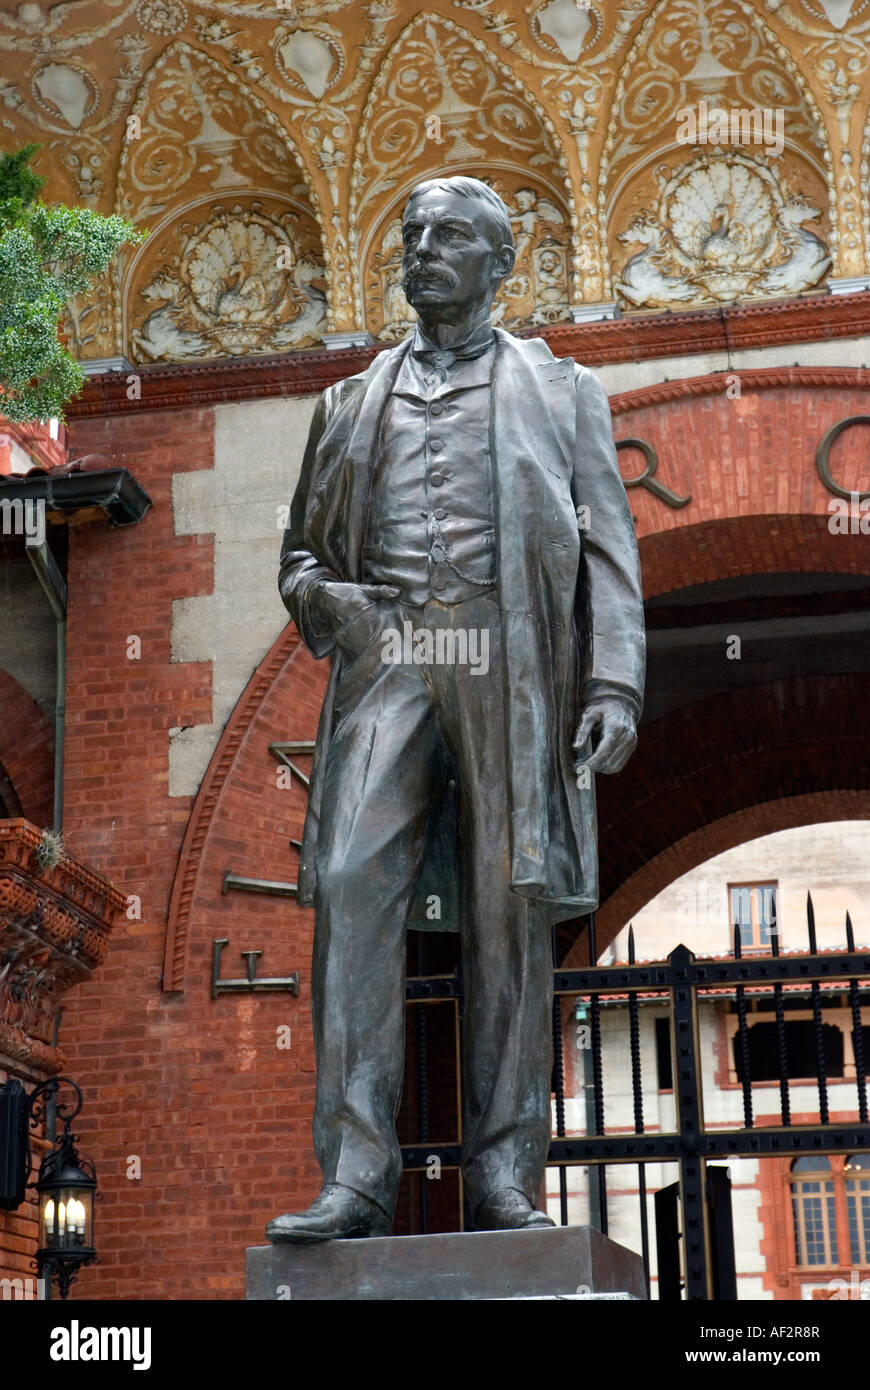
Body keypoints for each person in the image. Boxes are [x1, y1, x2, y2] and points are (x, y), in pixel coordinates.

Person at [268, 175, 645, 1242]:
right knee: (348, 882)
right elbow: (300, 553)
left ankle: (506, 1176)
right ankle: (355, 1174)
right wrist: (329, 603)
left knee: (507, 912)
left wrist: (613, 681)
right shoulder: (346, 404)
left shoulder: (564, 393)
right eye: (414, 233)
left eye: (451, 237)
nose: (424, 249)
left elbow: (610, 553)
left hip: (507, 654)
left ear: (497, 264)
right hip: (388, 653)